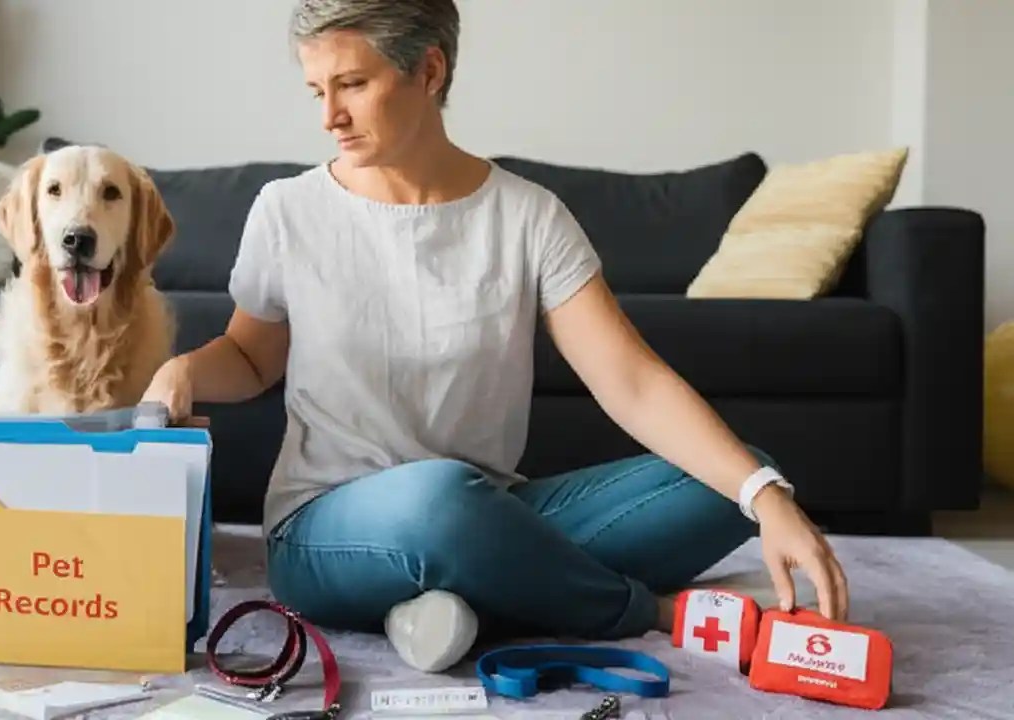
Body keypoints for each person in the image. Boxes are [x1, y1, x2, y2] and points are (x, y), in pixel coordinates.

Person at [144, 0, 850, 672]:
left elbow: (630, 381)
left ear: (429, 71)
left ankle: (457, 602)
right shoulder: (288, 210)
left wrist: (764, 495)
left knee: (730, 476)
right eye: (316, 90)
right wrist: (186, 371)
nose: (330, 115)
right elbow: (250, 356)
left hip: (488, 509)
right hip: (327, 530)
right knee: (440, 503)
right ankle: (640, 612)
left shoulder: (528, 217)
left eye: (353, 84)